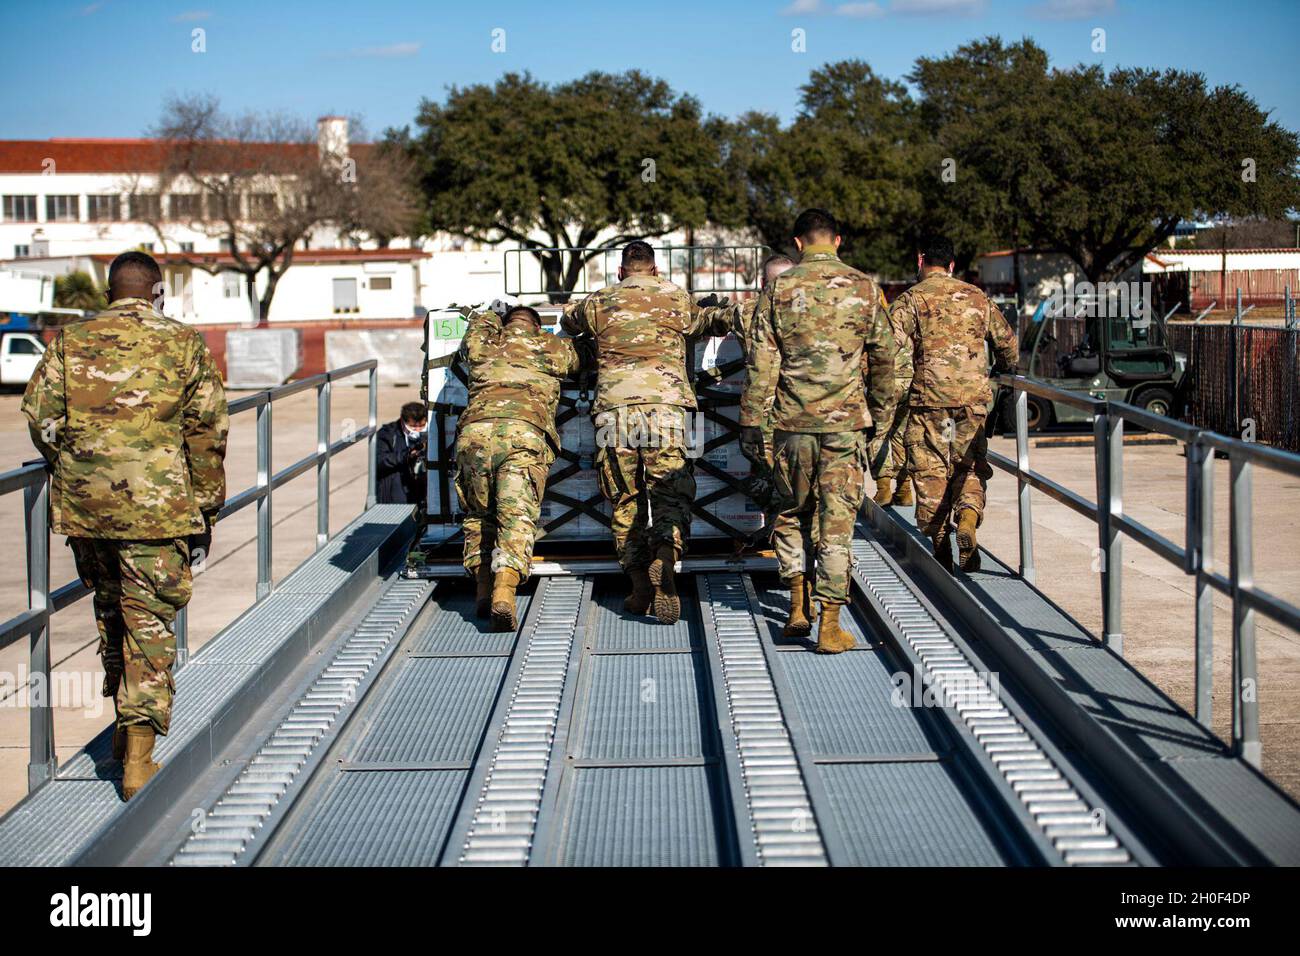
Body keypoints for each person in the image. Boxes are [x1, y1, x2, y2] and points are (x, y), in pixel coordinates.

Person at [21, 250, 228, 800]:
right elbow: (206, 432)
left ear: (108, 292)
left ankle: (120, 724)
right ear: (156, 292)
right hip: (158, 514)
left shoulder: (69, 341)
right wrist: (206, 508)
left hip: (88, 510)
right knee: (150, 625)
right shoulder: (183, 343)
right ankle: (138, 756)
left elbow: (41, 418)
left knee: (110, 612)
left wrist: (78, 463)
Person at [742, 209, 897, 653]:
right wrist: (882, 419)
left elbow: (762, 365)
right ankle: (829, 625)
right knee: (836, 523)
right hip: (845, 427)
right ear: (839, 241)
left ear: (797, 243)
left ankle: (795, 602)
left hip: (791, 426)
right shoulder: (866, 288)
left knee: (790, 510)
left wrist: (752, 423)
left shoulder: (778, 289)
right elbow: (885, 360)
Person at [561, 240, 727, 625]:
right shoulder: (675, 296)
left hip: (615, 411)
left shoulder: (600, 300)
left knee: (624, 497)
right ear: (654, 269)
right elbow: (706, 321)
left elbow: (569, 321)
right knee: (670, 491)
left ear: (621, 271)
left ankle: (638, 587)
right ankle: (666, 557)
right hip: (666, 409)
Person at [890, 234, 1018, 572]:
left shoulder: (911, 299)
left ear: (921, 261)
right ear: (952, 265)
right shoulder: (977, 297)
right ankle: (968, 518)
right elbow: (1007, 344)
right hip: (972, 403)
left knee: (930, 469)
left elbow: (885, 347)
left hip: (928, 402)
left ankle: (939, 541)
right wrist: (1006, 369)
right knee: (969, 466)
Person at [456, 304, 581, 630]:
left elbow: (472, 334)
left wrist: (489, 314)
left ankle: (482, 588)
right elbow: (586, 359)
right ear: (538, 327)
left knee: (477, 515)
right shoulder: (551, 346)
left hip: (475, 436)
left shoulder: (484, 342)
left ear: (506, 323)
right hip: (523, 435)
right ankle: (504, 592)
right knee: (516, 517)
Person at [870, 285, 916, 507]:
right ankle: (904, 489)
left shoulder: (870, 325)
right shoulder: (901, 320)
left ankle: (883, 488)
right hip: (909, 383)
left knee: (878, 434)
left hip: (884, 385)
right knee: (901, 435)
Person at [376, 402, 429, 506]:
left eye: (422, 426)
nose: (417, 430)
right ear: (402, 421)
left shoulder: (431, 433)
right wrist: (407, 456)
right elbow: (380, 461)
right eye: (413, 426)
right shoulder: (388, 434)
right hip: (397, 491)